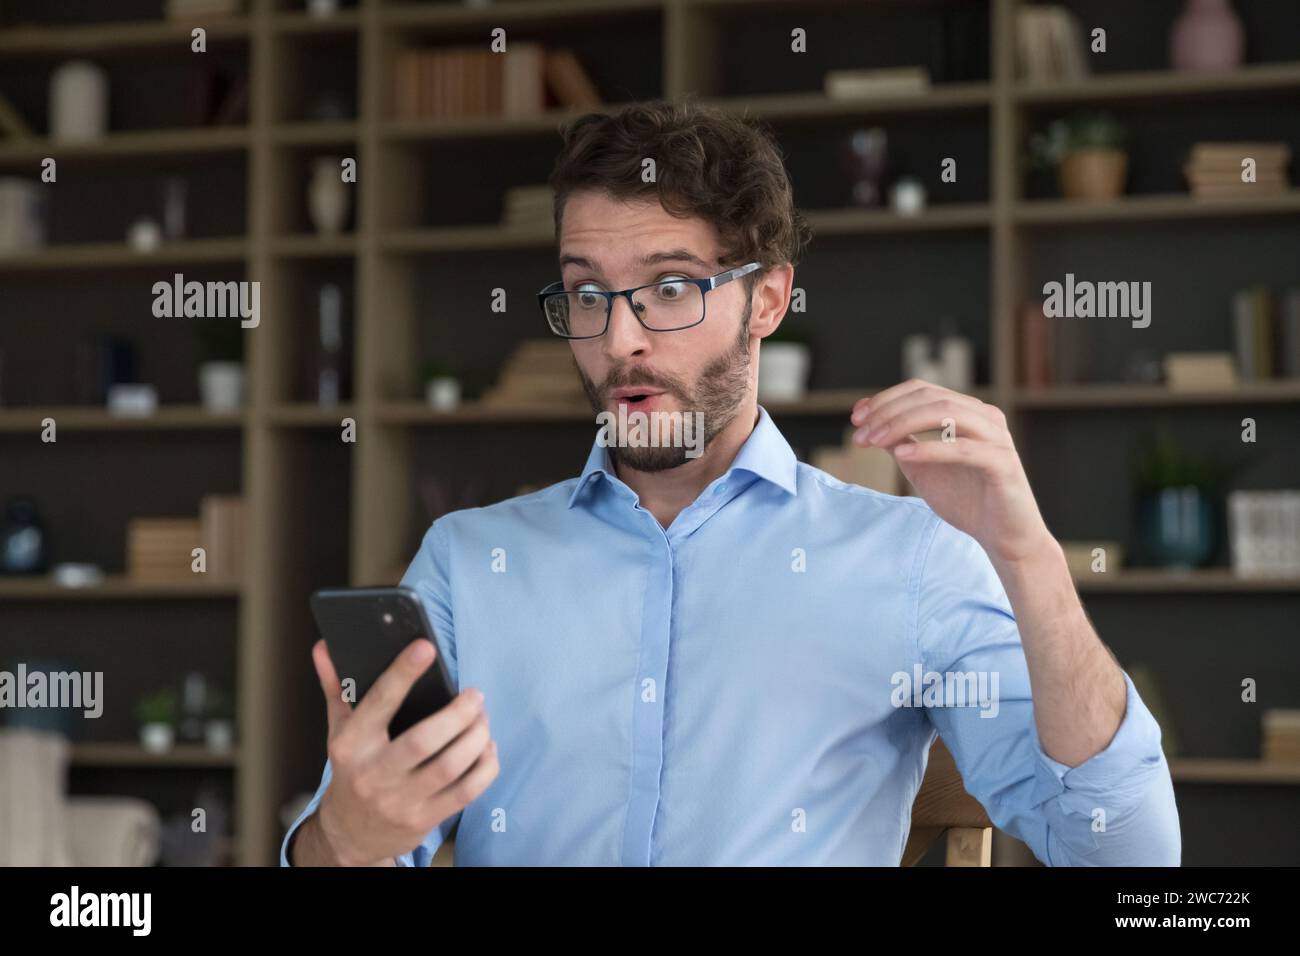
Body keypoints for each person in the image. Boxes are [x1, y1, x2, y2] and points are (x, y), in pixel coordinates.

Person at [283, 100, 1180, 866]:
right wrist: (343, 838)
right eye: (586, 293)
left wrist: (1027, 555)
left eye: (669, 287)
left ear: (768, 300)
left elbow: (1122, 849)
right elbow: (347, 849)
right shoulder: (469, 564)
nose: (619, 339)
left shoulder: (911, 562)